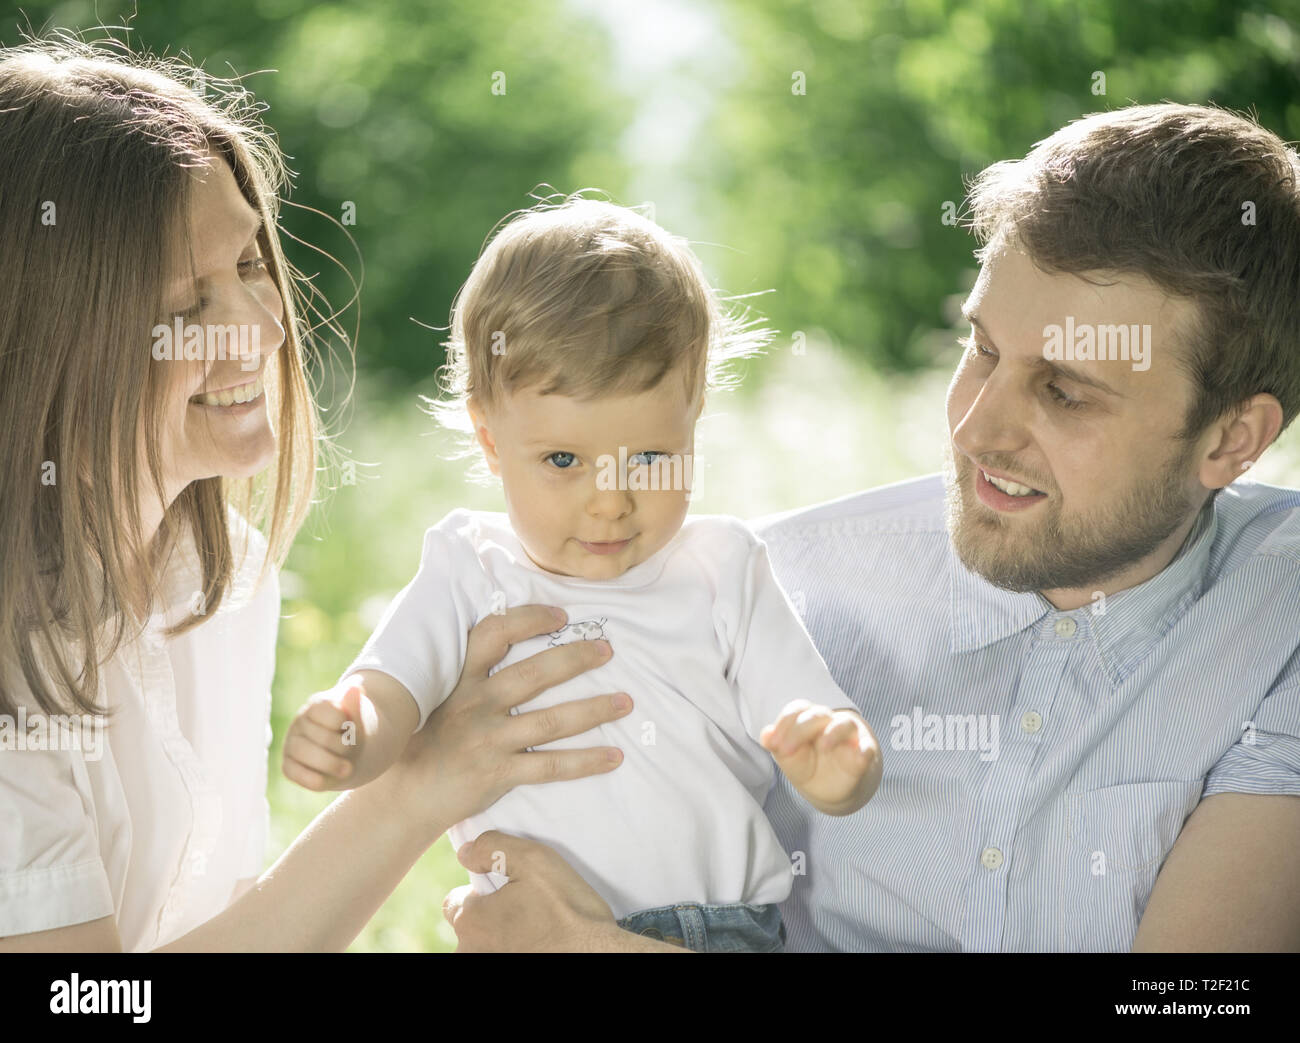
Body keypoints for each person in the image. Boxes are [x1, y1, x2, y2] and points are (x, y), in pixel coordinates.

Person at [443, 103, 1300, 952]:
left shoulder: (1279, 619)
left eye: (1065, 391)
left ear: (1232, 439)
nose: (975, 430)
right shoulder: (779, 590)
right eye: (985, 350)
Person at [0, 36, 632, 953]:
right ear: (50, 346)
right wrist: (411, 792)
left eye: (252, 266)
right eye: (186, 307)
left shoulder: (219, 580)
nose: (260, 325)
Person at [281, 197, 883, 953]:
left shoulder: (723, 567)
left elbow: (809, 709)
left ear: (693, 416)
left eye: (651, 458)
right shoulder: (470, 567)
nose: (612, 501)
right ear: (490, 438)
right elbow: (388, 690)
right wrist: (350, 734)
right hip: (523, 929)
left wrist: (836, 766)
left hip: (721, 932)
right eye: (563, 461)